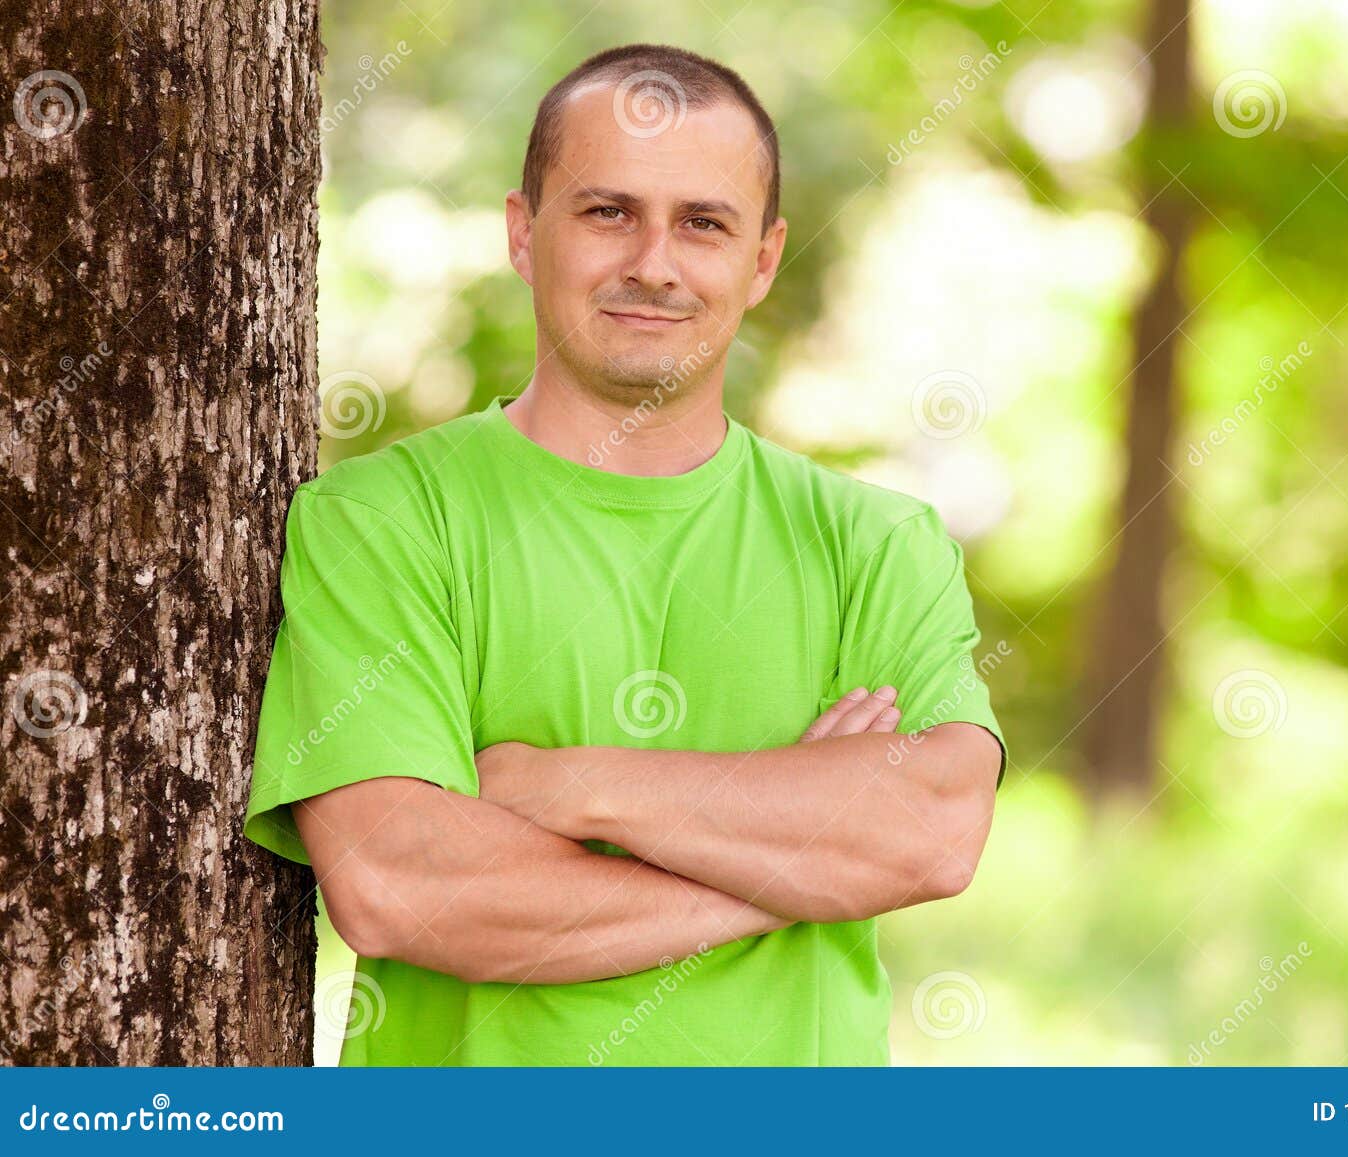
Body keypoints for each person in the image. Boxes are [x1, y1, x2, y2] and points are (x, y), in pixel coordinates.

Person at [244, 42, 1006, 1066]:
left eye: (703, 222)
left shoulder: (875, 543)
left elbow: (930, 833)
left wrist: (569, 786)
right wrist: (799, 855)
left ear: (763, 258)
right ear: (525, 232)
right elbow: (397, 887)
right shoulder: (383, 520)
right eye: (608, 211)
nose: (653, 262)